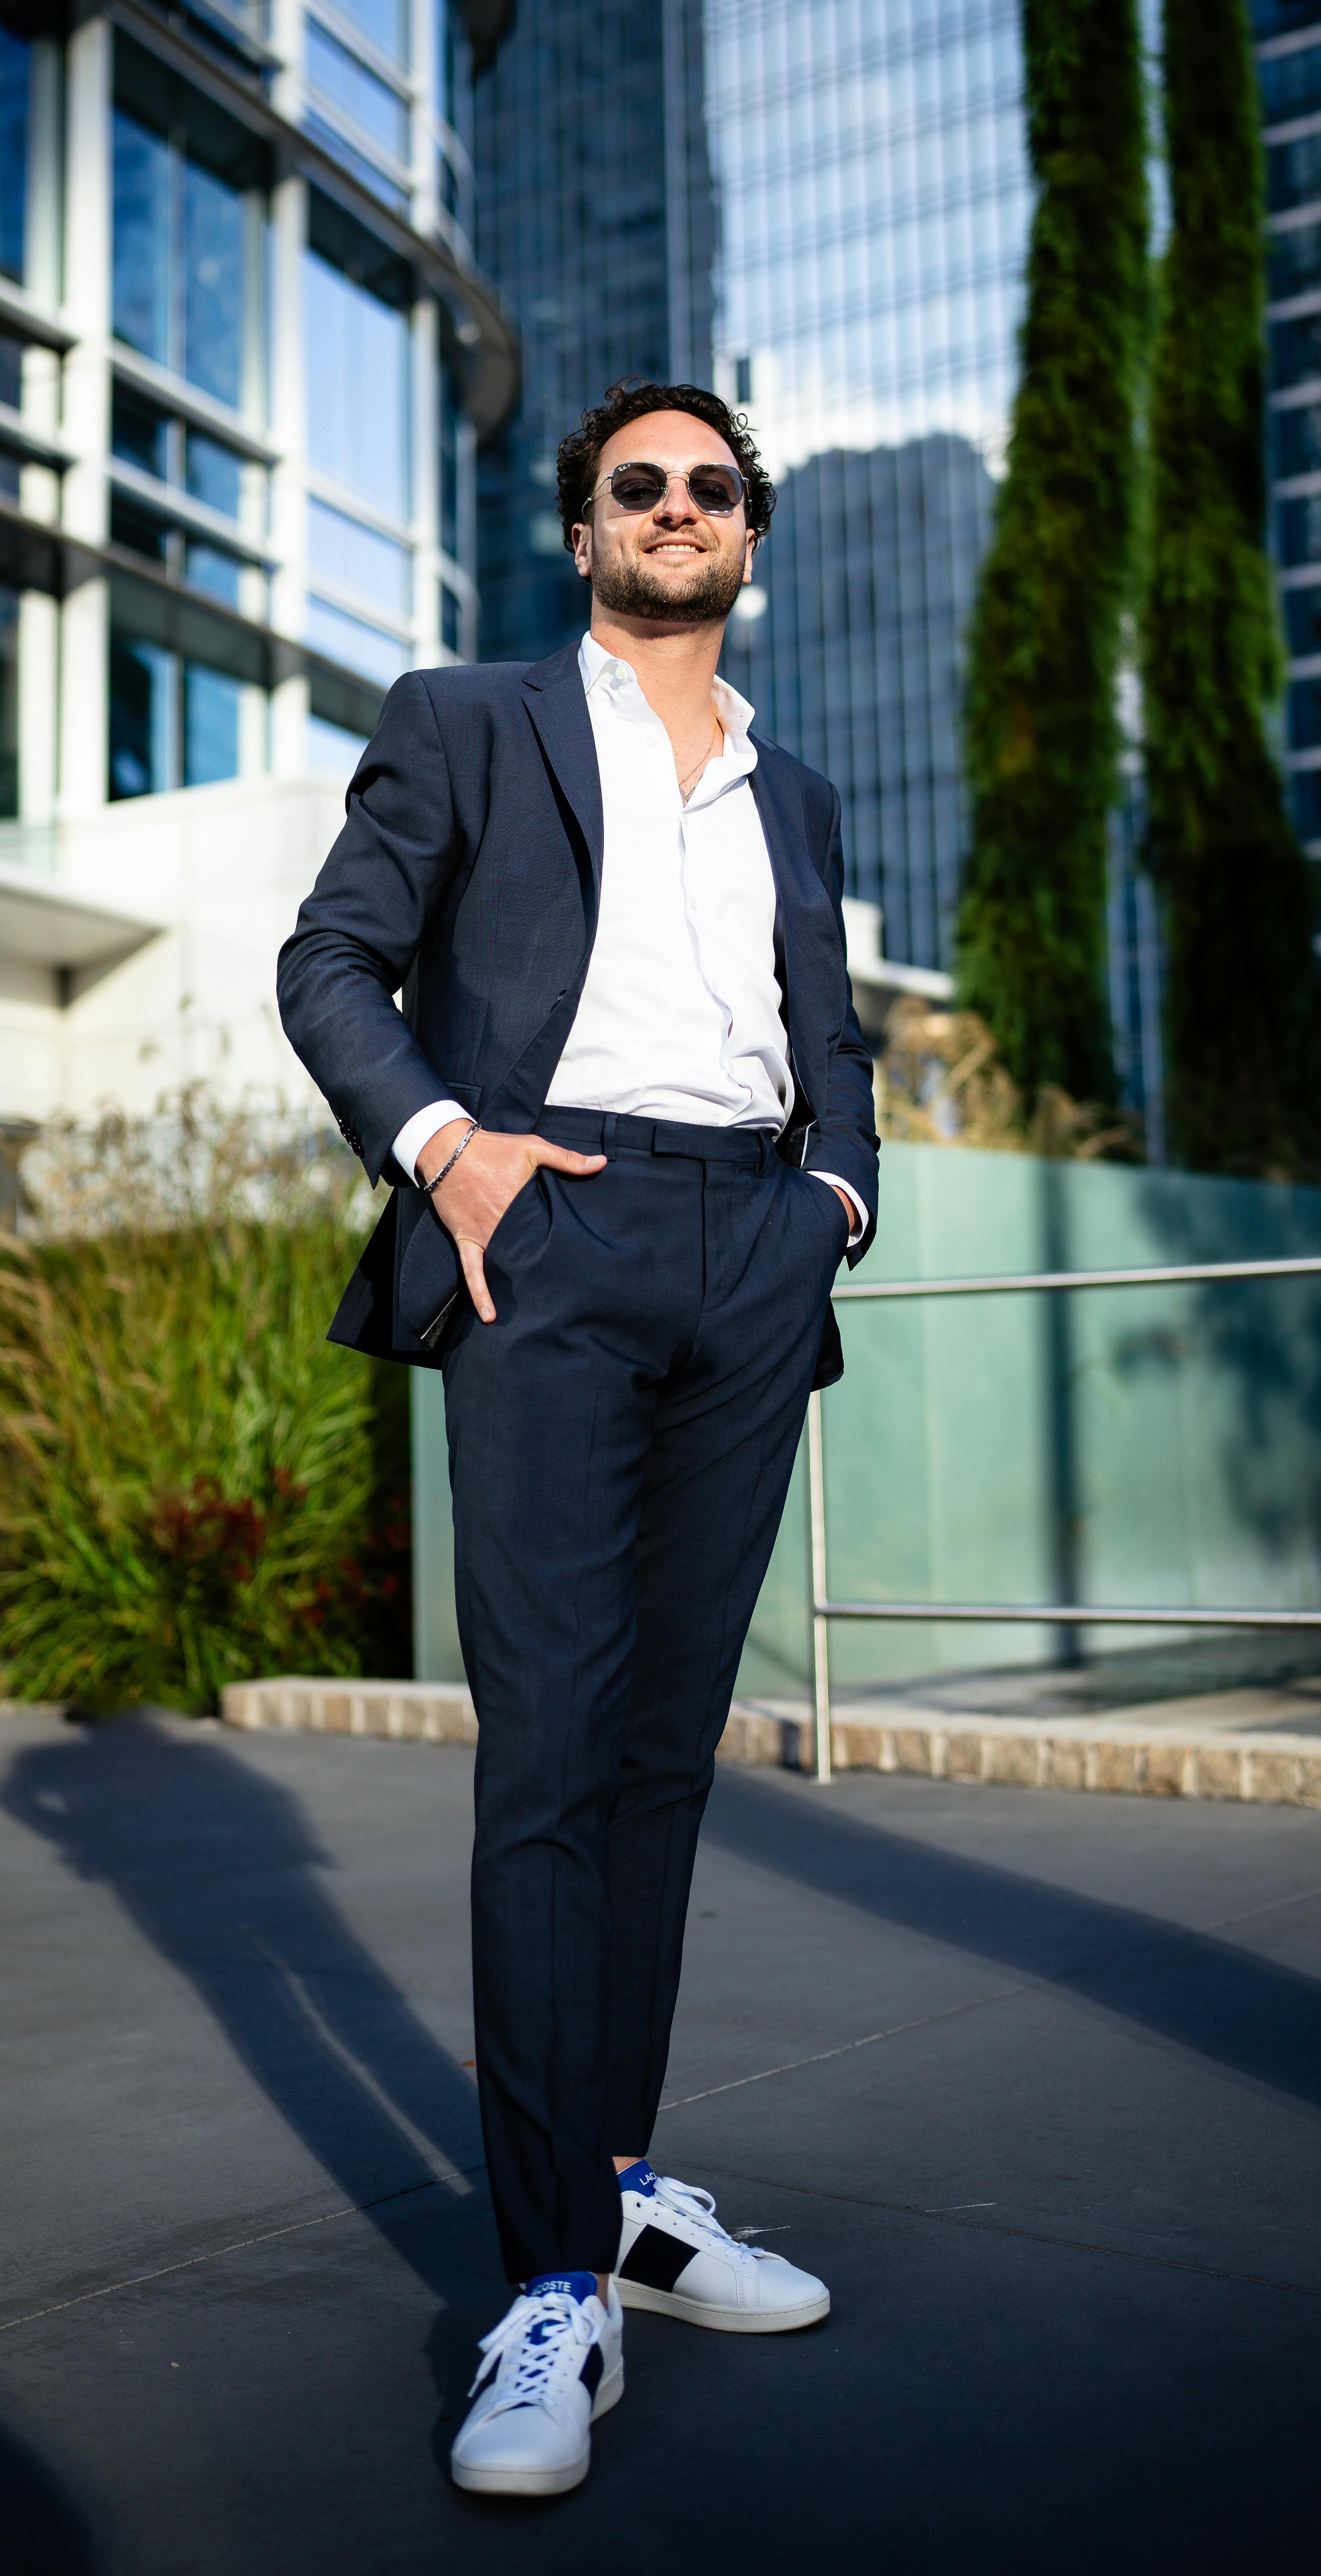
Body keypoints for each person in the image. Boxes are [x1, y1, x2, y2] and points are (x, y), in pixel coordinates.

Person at [277, 379, 879, 2499]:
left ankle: (618, 2192)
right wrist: (448, 1153)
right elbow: (331, 960)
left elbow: (836, 1038)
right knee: (543, 1757)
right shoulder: (471, 717)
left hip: (749, 1245)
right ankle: (545, 2287)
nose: (677, 507)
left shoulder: (792, 791)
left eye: (711, 488)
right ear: (584, 528)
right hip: (546, 1223)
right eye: (640, 484)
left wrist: (840, 1200)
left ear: (745, 535)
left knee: (653, 1762)